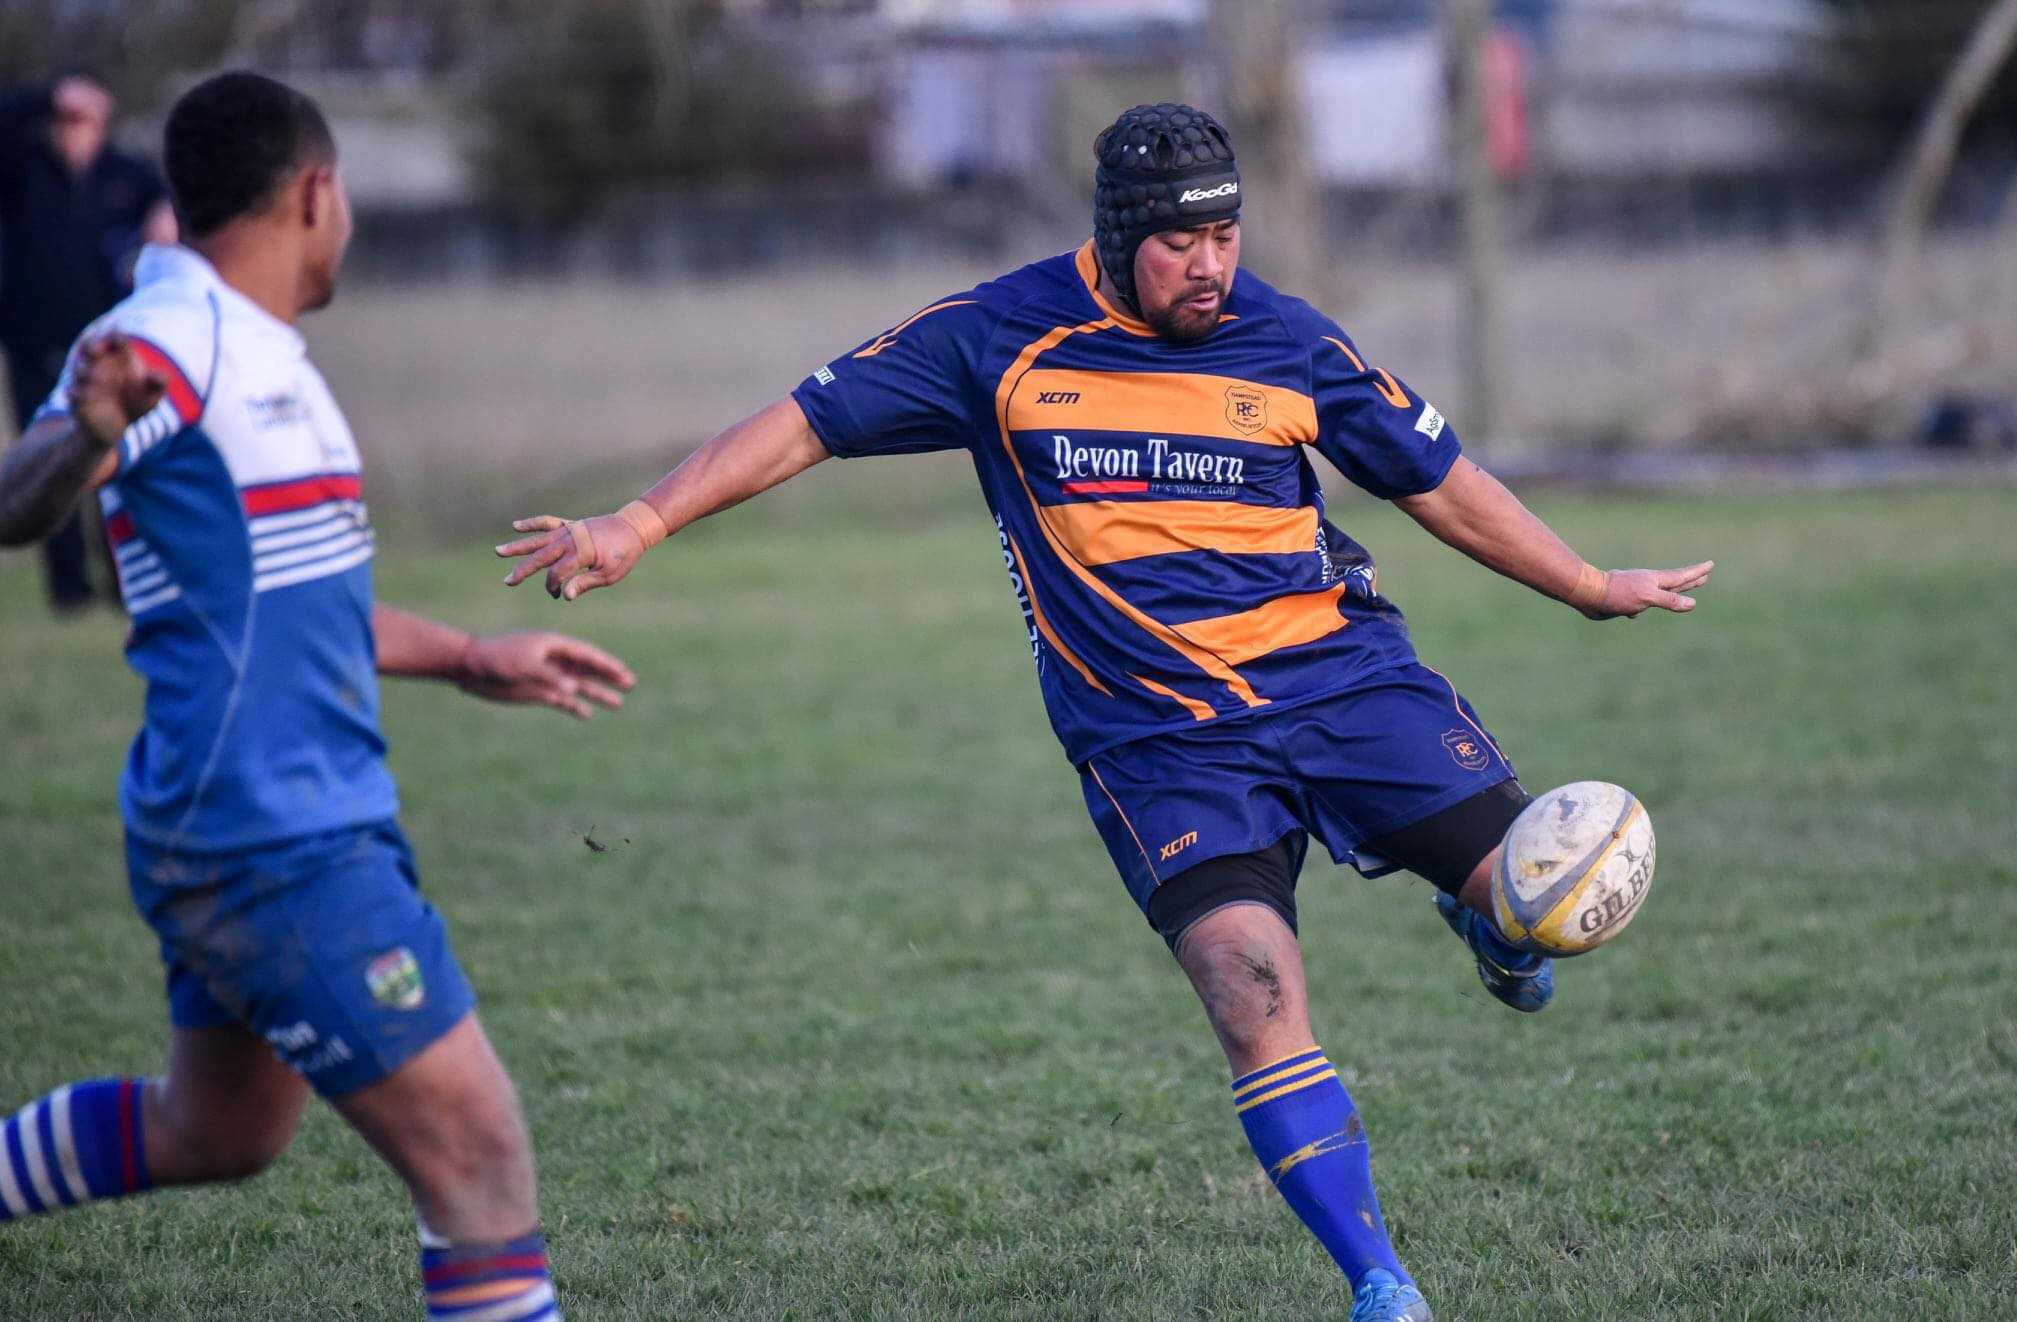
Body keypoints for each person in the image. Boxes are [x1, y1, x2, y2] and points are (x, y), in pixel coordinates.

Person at [497, 103, 1713, 1321]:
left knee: (1537, 893)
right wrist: (638, 521)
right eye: (1184, 242)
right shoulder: (998, 337)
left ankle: (1491, 921)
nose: (1212, 265)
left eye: (1229, 234)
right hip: (1155, 738)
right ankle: (1379, 1279)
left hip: (1342, 683)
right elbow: (804, 420)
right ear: (1122, 233)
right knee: (1249, 985)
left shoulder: (1288, 342)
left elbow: (1436, 480)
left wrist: (1589, 584)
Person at [0, 72, 629, 1322]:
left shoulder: (260, 352)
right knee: (480, 1158)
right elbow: (21, 493)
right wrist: (81, 434)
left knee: (216, 1128)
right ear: (317, 192)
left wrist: (463, 654)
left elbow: (287, 600)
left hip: (259, 815)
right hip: (270, 834)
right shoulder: (179, 339)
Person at [1, 71, 177, 612]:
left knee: (115, 462)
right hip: (34, 339)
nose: (77, 131)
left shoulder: (128, 175)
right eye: (67, 119)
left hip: (109, 343)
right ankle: (69, 591)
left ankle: (125, 584)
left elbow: (172, 207)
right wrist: (48, 94)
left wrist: (162, 218)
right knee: (48, 456)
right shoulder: (20, 169)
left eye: (88, 118)